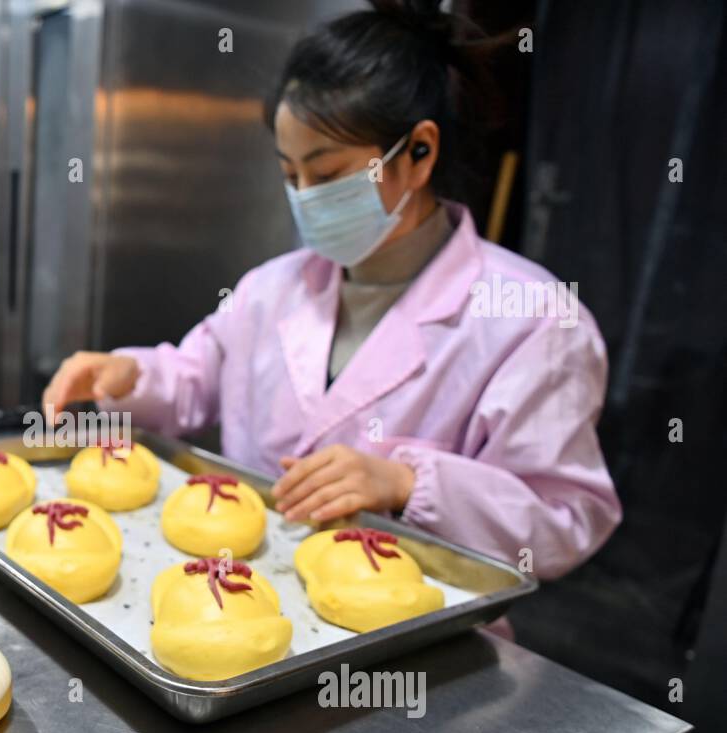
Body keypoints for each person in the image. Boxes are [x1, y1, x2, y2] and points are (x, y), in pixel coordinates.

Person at [41, 0, 620, 579]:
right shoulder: (273, 288)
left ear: (419, 153)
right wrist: (130, 376)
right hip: (250, 586)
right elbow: (196, 377)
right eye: (291, 176)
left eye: (327, 174)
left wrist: (406, 482)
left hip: (420, 637)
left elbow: (564, 520)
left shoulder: (534, 319)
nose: (305, 197)